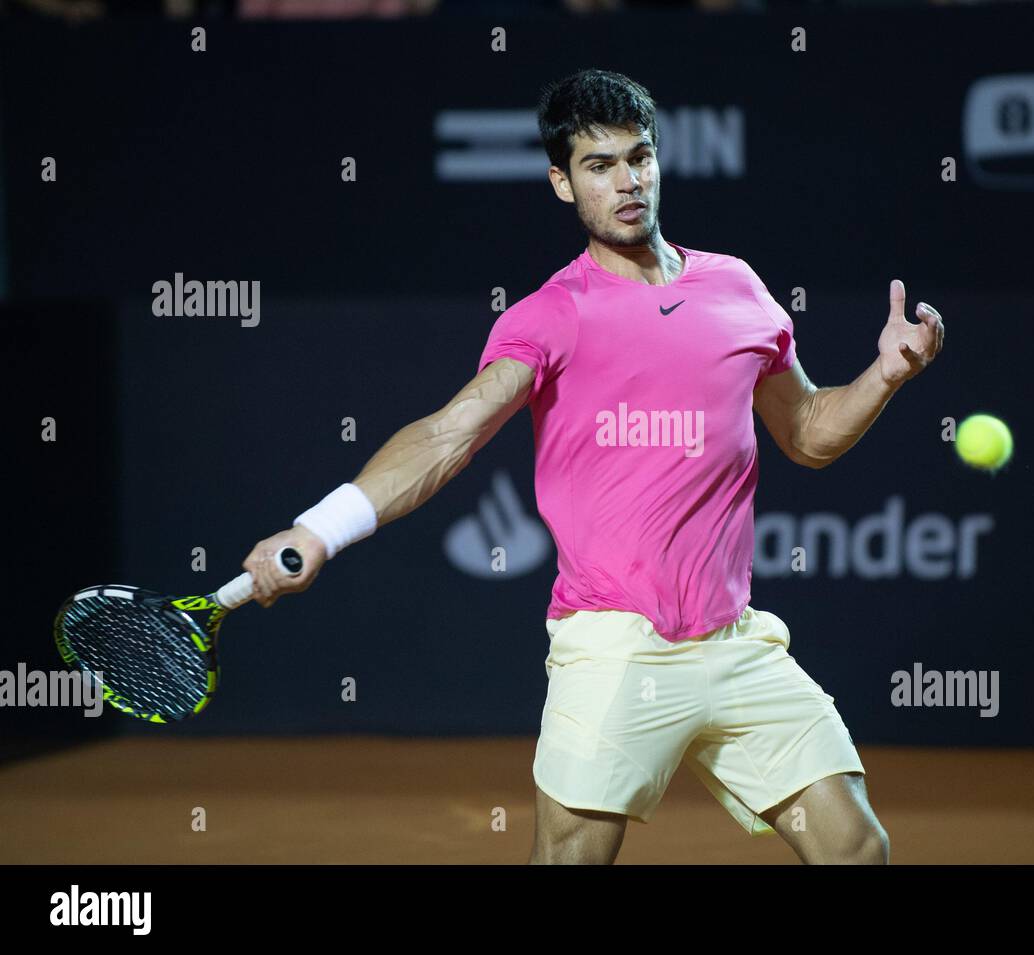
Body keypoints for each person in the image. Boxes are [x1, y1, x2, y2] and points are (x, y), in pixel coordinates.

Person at [241, 68, 943, 864]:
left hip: (736, 642)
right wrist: (321, 529)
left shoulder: (737, 288)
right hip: (613, 646)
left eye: (639, 158)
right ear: (561, 182)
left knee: (857, 849)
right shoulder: (551, 315)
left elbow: (809, 432)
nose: (627, 181)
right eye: (599, 166)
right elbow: (449, 434)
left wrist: (885, 374)